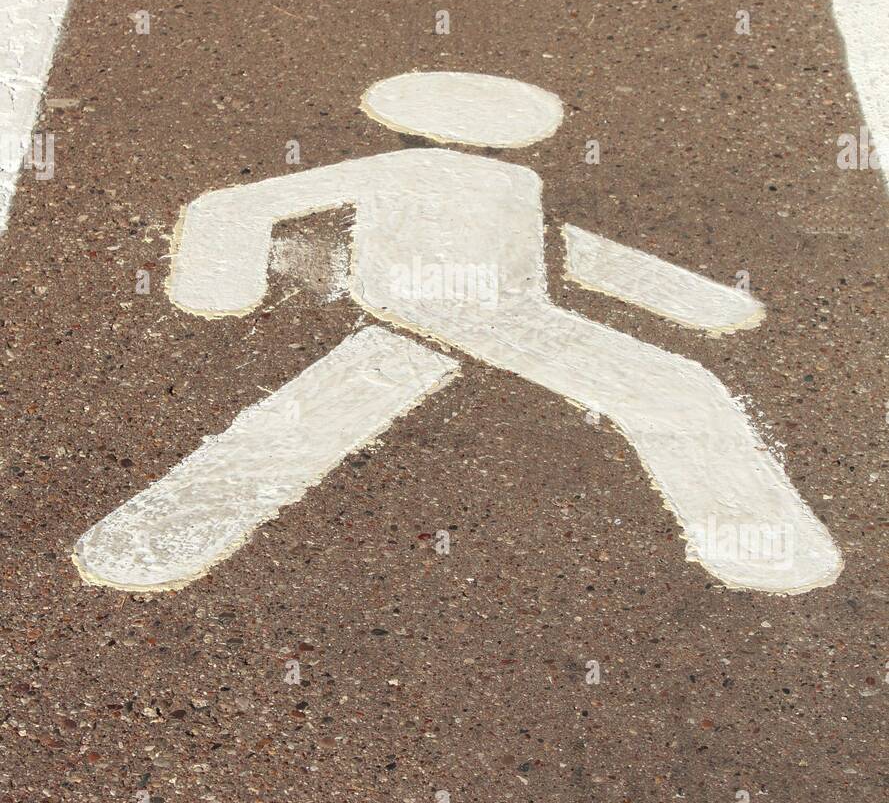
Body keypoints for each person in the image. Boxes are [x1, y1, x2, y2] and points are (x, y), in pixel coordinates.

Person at [74, 72, 842, 595]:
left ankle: (157, 537)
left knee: (323, 409)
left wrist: (690, 298)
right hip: (472, 313)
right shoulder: (398, 172)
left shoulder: (512, 183)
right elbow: (235, 210)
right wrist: (219, 283)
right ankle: (758, 543)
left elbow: (558, 248)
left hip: (468, 313)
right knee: (674, 388)